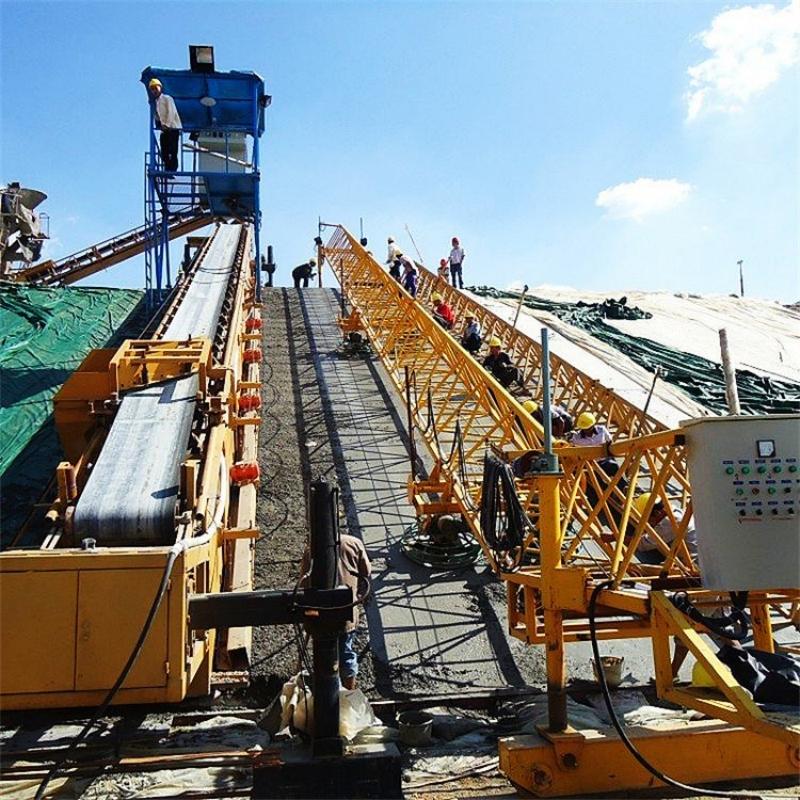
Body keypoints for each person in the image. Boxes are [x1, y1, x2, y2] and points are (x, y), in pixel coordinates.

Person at [301, 533, 372, 690]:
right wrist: (358, 595)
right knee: (345, 652)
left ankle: (328, 688)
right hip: (347, 613)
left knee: (324, 653)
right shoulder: (354, 543)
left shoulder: (311, 548)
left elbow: (304, 584)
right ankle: (348, 691)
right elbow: (366, 573)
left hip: (320, 615)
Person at [631, 492, 698, 565]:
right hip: (695, 555)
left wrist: (624, 539)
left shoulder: (672, 521)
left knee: (638, 550)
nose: (650, 523)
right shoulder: (674, 510)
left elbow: (641, 544)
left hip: (695, 564)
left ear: (657, 513)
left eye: (649, 520)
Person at [148, 78, 182, 172]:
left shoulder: (167, 98)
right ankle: (167, 169)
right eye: (152, 89)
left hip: (173, 128)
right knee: (164, 151)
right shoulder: (157, 102)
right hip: (165, 130)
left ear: (160, 88)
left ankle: (172, 170)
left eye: (155, 88)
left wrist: (167, 124)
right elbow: (158, 116)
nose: (154, 91)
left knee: (172, 150)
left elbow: (171, 112)